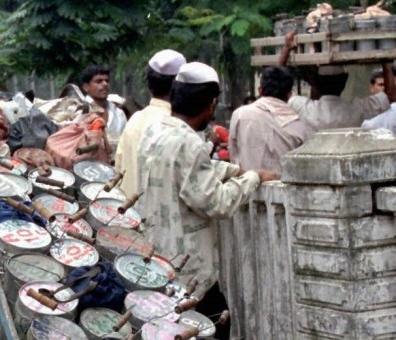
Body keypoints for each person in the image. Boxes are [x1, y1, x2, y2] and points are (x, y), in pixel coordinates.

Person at [140, 62, 277, 325]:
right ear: (211, 105)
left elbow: (190, 170)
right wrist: (253, 178)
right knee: (209, 334)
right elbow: (217, 203)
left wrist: (233, 170)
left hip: (158, 257)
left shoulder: (156, 131)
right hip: (188, 270)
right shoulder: (190, 142)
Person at [281, 33, 396, 133]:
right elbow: (390, 96)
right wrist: (384, 59)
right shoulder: (356, 109)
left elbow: (276, 93)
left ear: (316, 84)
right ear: (344, 82)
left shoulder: (303, 107)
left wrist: (286, 49)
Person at [115, 49, 186, 198]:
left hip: (129, 214)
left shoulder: (134, 120)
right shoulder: (177, 125)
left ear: (148, 84)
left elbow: (119, 169)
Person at [229, 66, 310, 174]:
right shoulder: (300, 127)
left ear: (260, 90)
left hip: (246, 187)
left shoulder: (240, 115)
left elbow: (234, 157)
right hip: (285, 189)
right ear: (289, 94)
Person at [80, 64, 127, 152]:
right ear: (86, 87)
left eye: (107, 81)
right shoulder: (78, 111)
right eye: (99, 81)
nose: (105, 84)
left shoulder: (119, 114)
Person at [361, 66, 396, 141]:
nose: (385, 88)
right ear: (371, 88)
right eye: (381, 85)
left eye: (387, 85)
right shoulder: (363, 109)